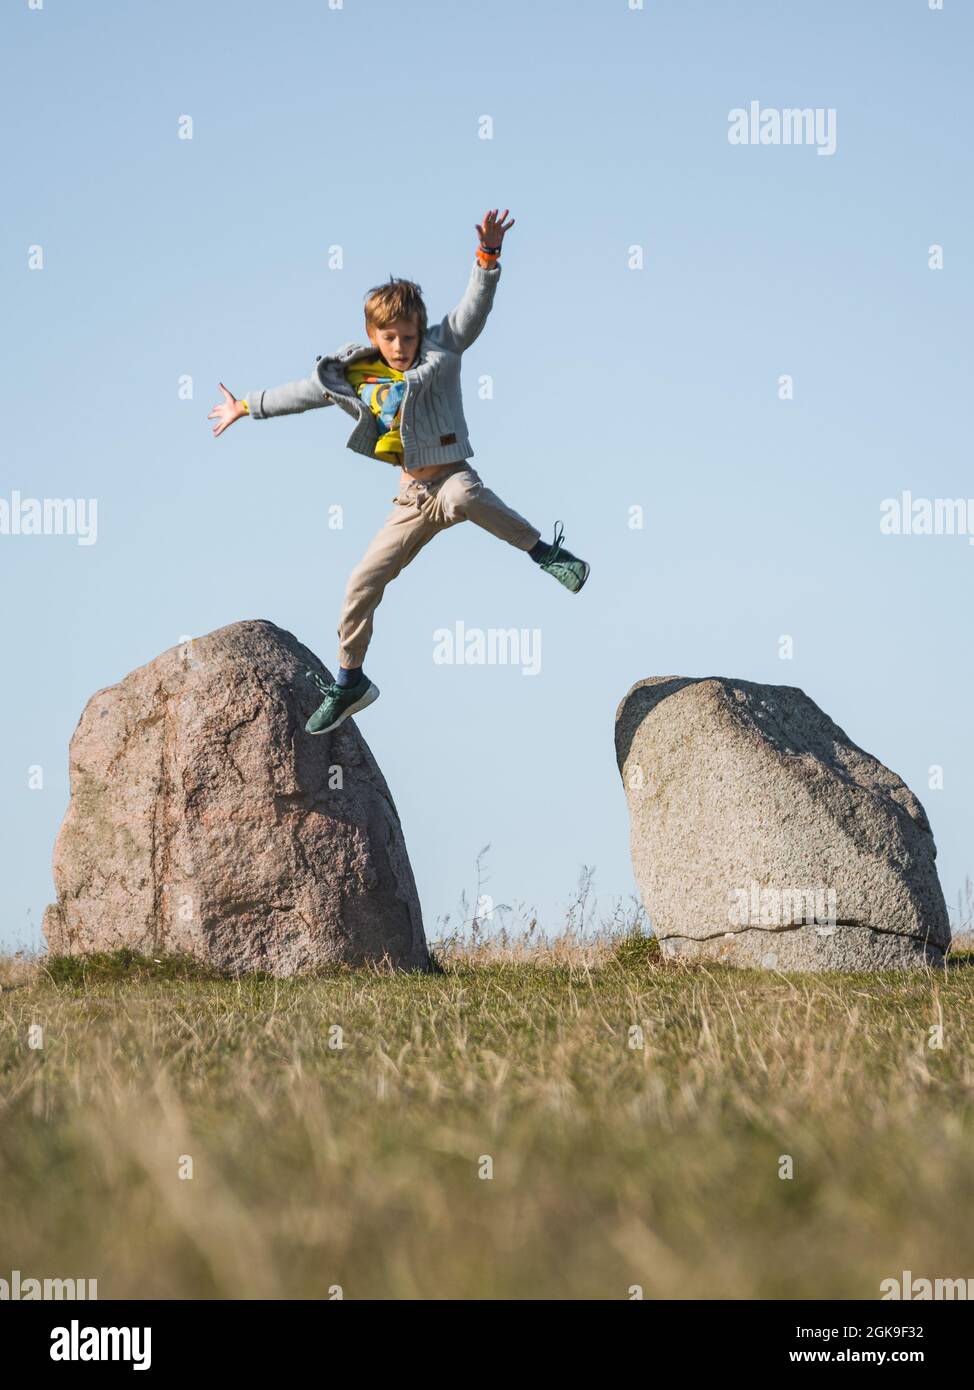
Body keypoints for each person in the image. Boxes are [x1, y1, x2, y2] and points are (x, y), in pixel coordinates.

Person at [209, 209, 590, 734]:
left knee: (463, 496)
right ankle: (350, 681)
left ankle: (544, 552)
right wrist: (246, 406)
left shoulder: (442, 347)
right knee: (360, 583)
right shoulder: (355, 374)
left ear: (419, 332)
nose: (400, 348)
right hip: (411, 499)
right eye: (389, 338)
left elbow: (473, 309)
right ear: (373, 334)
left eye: (408, 338)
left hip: (453, 480)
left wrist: (487, 257)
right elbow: (300, 393)